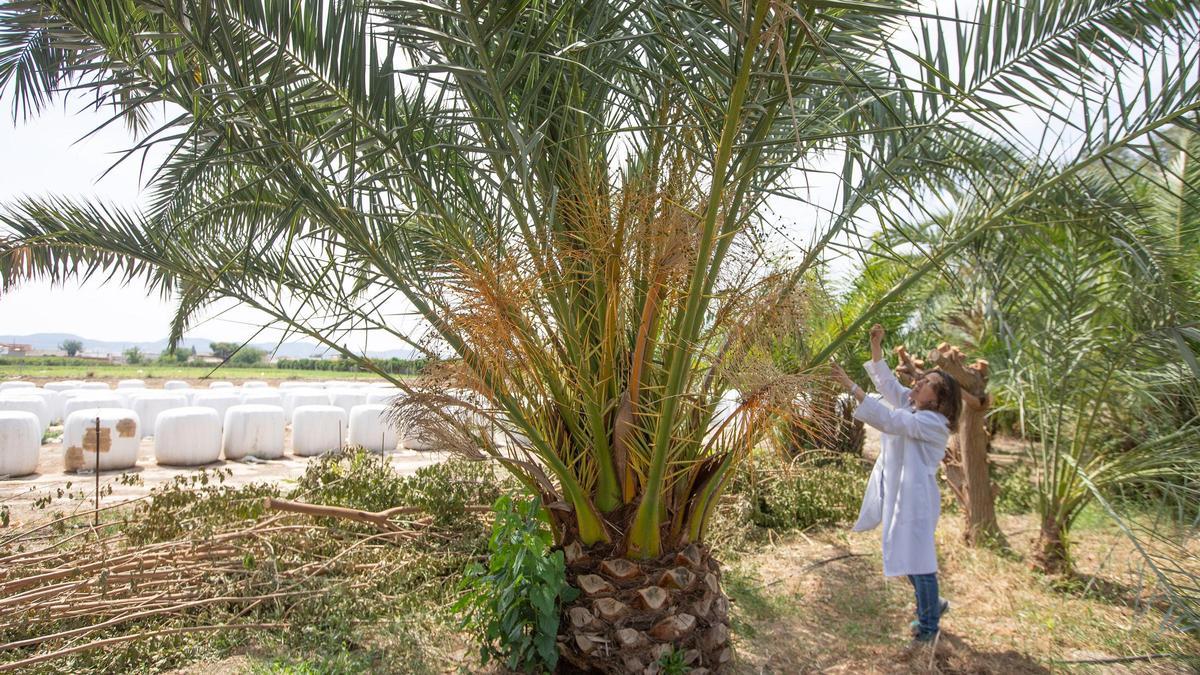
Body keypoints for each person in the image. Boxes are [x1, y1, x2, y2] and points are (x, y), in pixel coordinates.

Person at [829, 323, 961, 651]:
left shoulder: (932, 423)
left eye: (927, 383)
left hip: (916, 502)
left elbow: (889, 420)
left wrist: (849, 385)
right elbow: (887, 385)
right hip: (902, 497)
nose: (918, 383)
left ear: (939, 399)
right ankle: (933, 605)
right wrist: (876, 347)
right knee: (907, 558)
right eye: (922, 379)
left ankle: (929, 625)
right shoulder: (914, 406)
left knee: (919, 561)